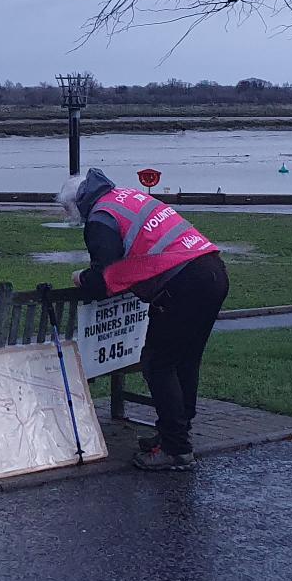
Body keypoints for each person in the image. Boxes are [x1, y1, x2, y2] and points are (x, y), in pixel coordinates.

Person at [58, 167, 228, 471]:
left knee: (158, 362)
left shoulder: (100, 218)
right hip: (211, 269)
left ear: (77, 203)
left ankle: (175, 448)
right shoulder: (126, 196)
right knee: (185, 361)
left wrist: (80, 278)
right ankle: (174, 434)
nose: (72, 218)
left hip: (182, 284)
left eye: (68, 211)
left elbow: (103, 278)